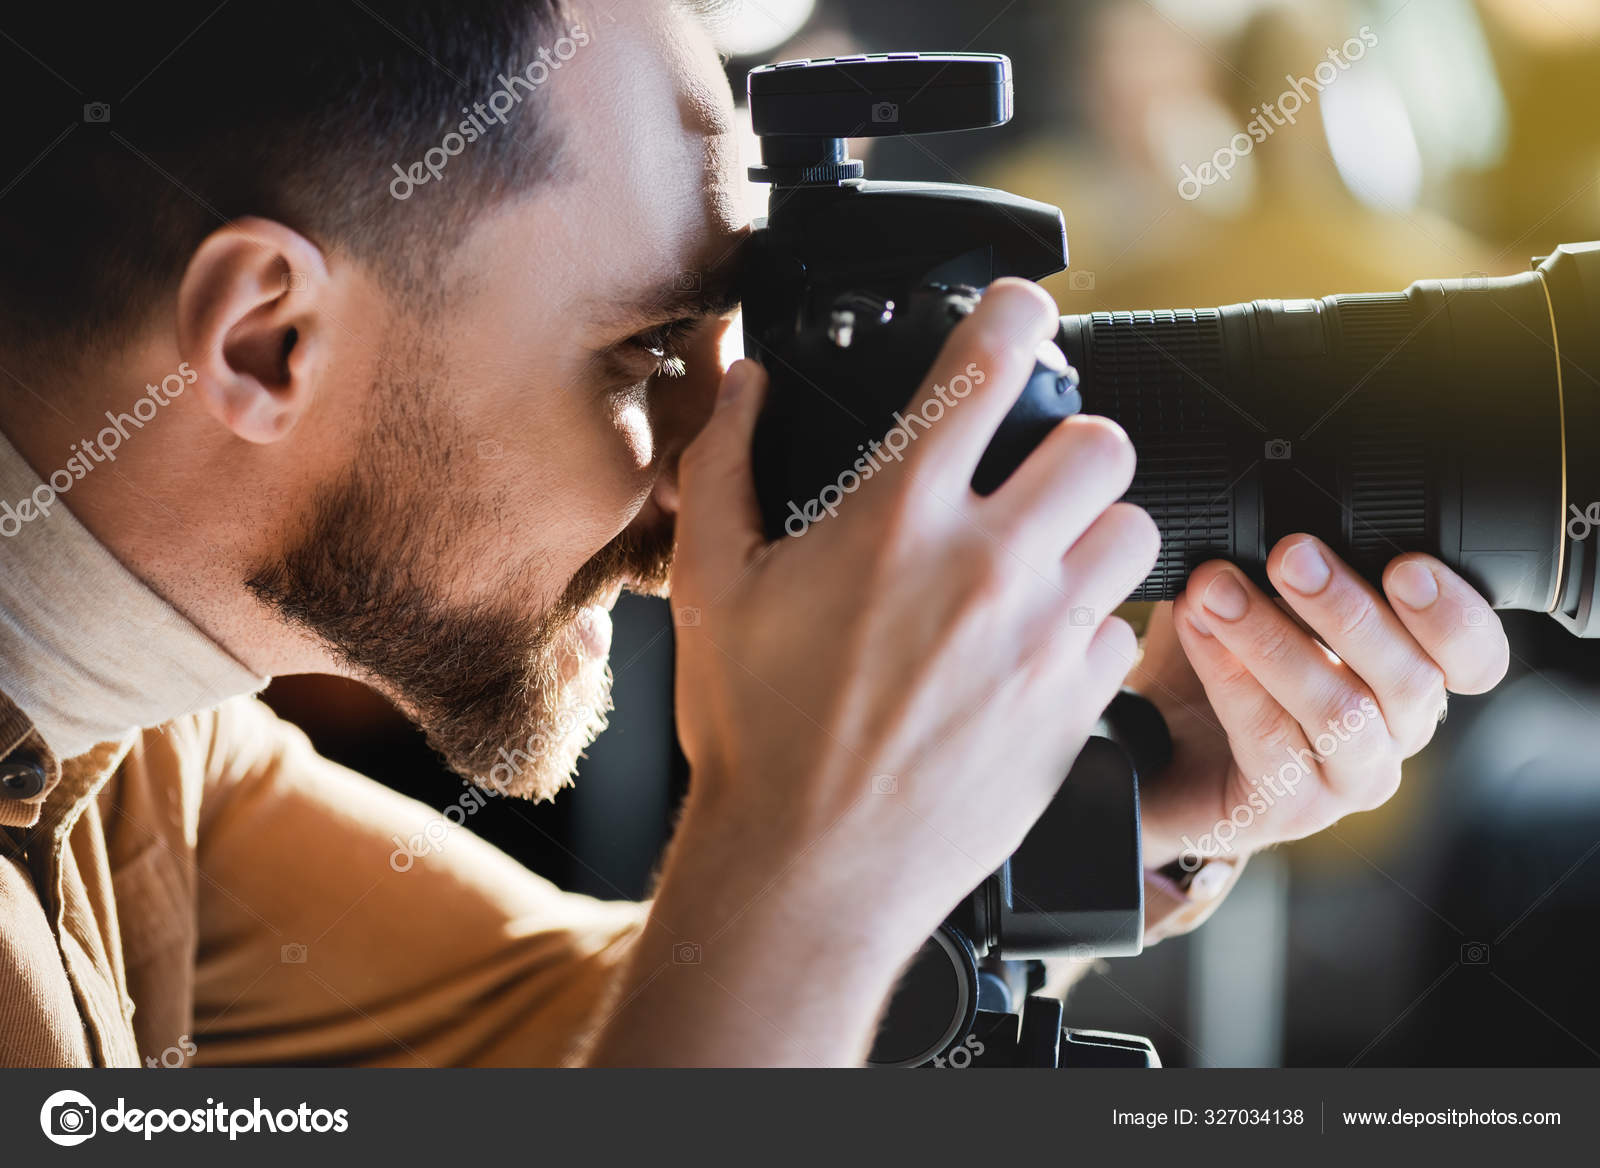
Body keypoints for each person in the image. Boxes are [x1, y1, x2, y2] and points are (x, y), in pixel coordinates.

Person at [0, 0, 1508, 1067]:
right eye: (648, 354)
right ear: (266, 343)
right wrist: (816, 865)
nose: (692, 500)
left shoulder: (134, 744)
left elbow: (597, 1036)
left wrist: (1085, 796)